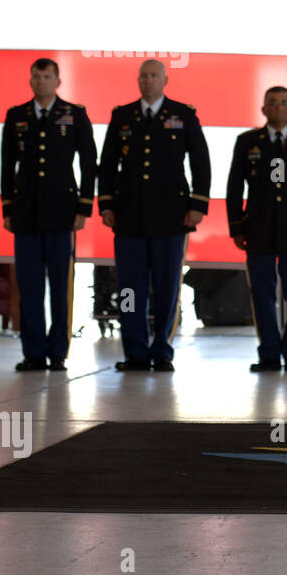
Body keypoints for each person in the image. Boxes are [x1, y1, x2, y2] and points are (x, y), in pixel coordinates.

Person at [98, 59, 210, 372]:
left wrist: (197, 206)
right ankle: (135, 350)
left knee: (166, 286)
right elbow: (107, 165)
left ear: (165, 79)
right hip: (129, 217)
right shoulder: (122, 116)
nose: (148, 81)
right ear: (138, 80)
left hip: (171, 217)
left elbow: (200, 162)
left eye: (154, 75)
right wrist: (106, 205)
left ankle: (162, 348)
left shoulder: (183, 114)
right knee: (130, 289)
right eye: (143, 76)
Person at [1, 57, 96, 372]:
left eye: (46, 76)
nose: (40, 81)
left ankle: (58, 352)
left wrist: (83, 207)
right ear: (30, 81)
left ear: (58, 81)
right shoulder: (17, 116)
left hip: (61, 213)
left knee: (60, 285)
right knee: (28, 286)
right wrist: (8, 207)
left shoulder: (74, 114)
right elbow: (6, 165)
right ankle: (33, 352)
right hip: (26, 213)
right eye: (35, 76)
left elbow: (88, 163)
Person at [226, 87, 287, 373]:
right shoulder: (248, 142)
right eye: (272, 104)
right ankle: (268, 352)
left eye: (283, 103)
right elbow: (233, 187)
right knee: (261, 294)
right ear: (263, 109)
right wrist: (235, 227)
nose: (278, 108)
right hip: (258, 228)